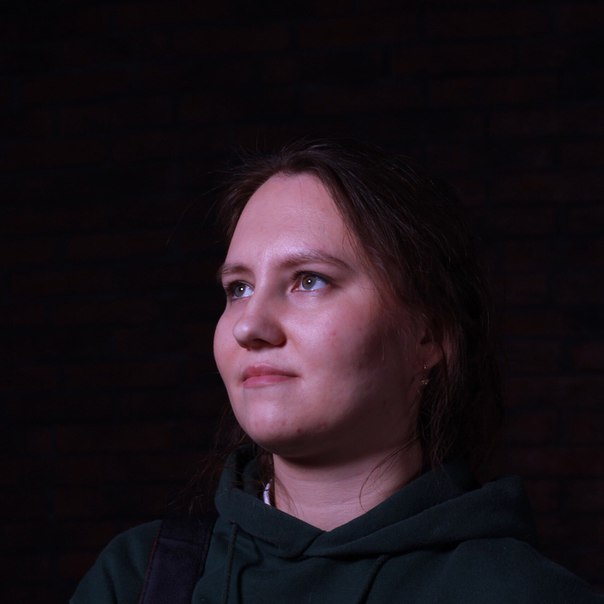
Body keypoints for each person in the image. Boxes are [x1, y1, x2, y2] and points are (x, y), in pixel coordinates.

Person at [71, 139, 602, 603]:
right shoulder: (139, 579)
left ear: (428, 337)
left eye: (309, 280)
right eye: (239, 288)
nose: (249, 326)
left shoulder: (521, 592)